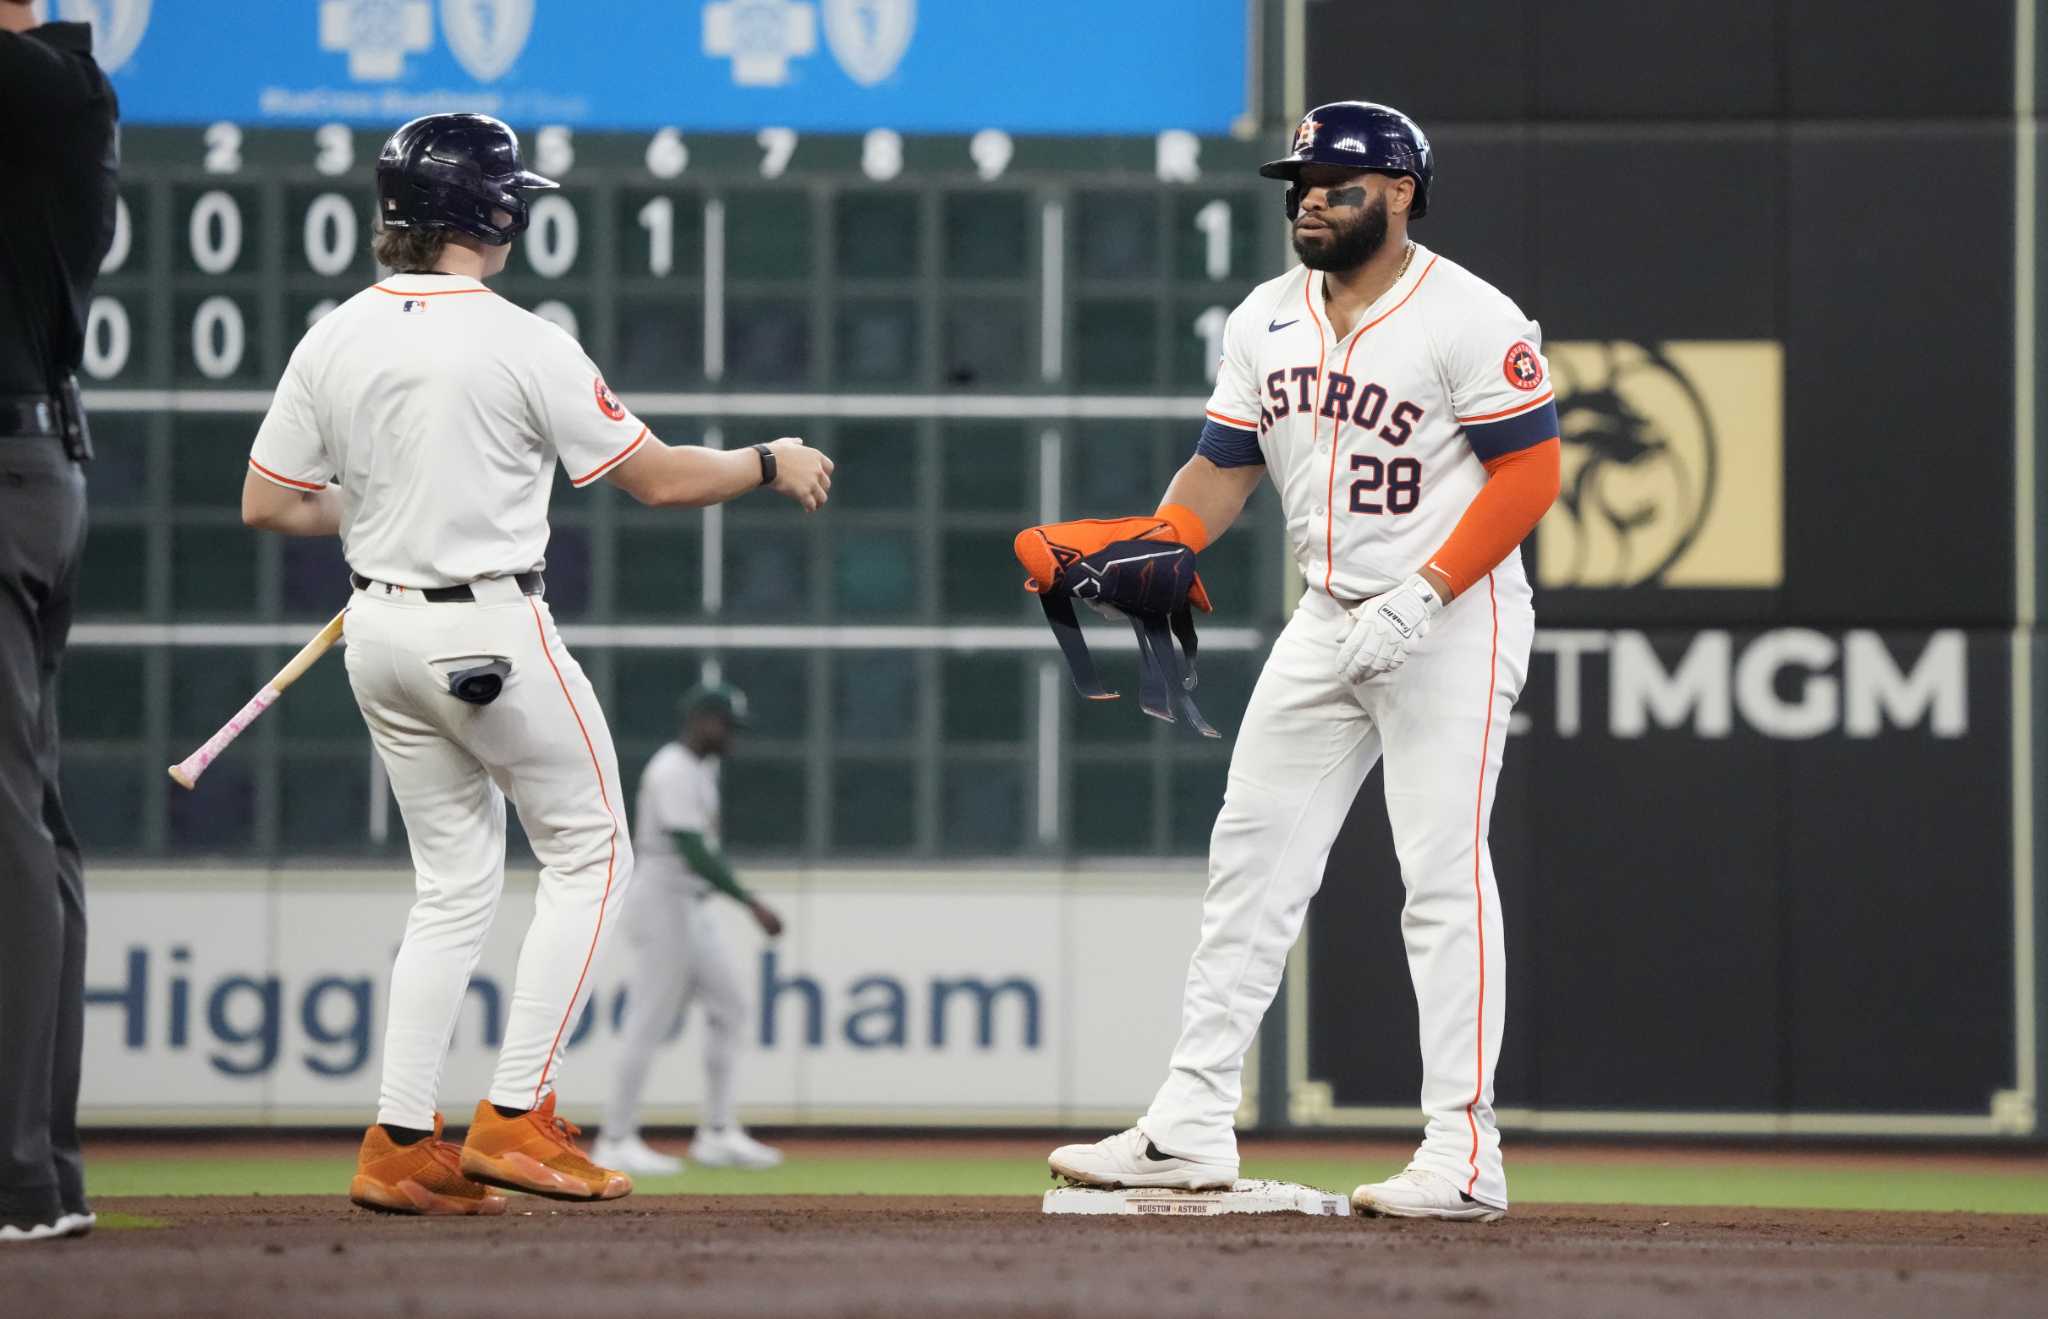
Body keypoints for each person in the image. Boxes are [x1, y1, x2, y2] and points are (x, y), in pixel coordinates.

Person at [239, 113, 832, 1216]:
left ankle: (399, 1139)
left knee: (451, 888)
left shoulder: (333, 337)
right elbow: (654, 478)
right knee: (593, 853)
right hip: (489, 632)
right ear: (492, 212)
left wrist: (389, 506)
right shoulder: (522, 338)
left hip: (378, 633)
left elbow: (269, 501)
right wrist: (767, 457)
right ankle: (518, 1111)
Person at [1041, 101, 1560, 1221]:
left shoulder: (1468, 313)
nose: (1308, 195)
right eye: (1298, 179)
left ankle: (1462, 1151)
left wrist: (1426, 592)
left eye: (1334, 177)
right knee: (1250, 856)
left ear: (1402, 192)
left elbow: (1528, 476)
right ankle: (1187, 1123)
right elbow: (1218, 471)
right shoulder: (1264, 318)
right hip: (1326, 615)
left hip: (1452, 614)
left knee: (1438, 872)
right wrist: (1153, 544)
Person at [0, 0, 117, 1246]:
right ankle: (45, 1164)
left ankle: (18, 1174)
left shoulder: (38, 90)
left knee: (8, 823)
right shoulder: (61, 94)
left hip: (9, 470)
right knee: (28, 816)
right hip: (35, 468)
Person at [594, 682, 786, 1175]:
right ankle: (615, 1139)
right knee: (650, 1018)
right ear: (702, 721)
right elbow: (694, 852)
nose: (733, 737)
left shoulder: (702, 767)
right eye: (727, 726)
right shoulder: (672, 768)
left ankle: (718, 1133)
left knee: (731, 1005)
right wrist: (751, 903)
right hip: (662, 897)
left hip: (689, 903)